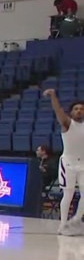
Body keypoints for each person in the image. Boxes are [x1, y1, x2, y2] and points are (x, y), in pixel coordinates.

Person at [44, 89, 84, 234]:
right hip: (68, 163)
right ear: (71, 112)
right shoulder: (67, 123)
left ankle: (76, 221)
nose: (79, 111)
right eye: (76, 109)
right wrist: (53, 96)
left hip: (83, 164)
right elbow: (58, 111)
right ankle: (63, 224)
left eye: (81, 109)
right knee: (69, 193)